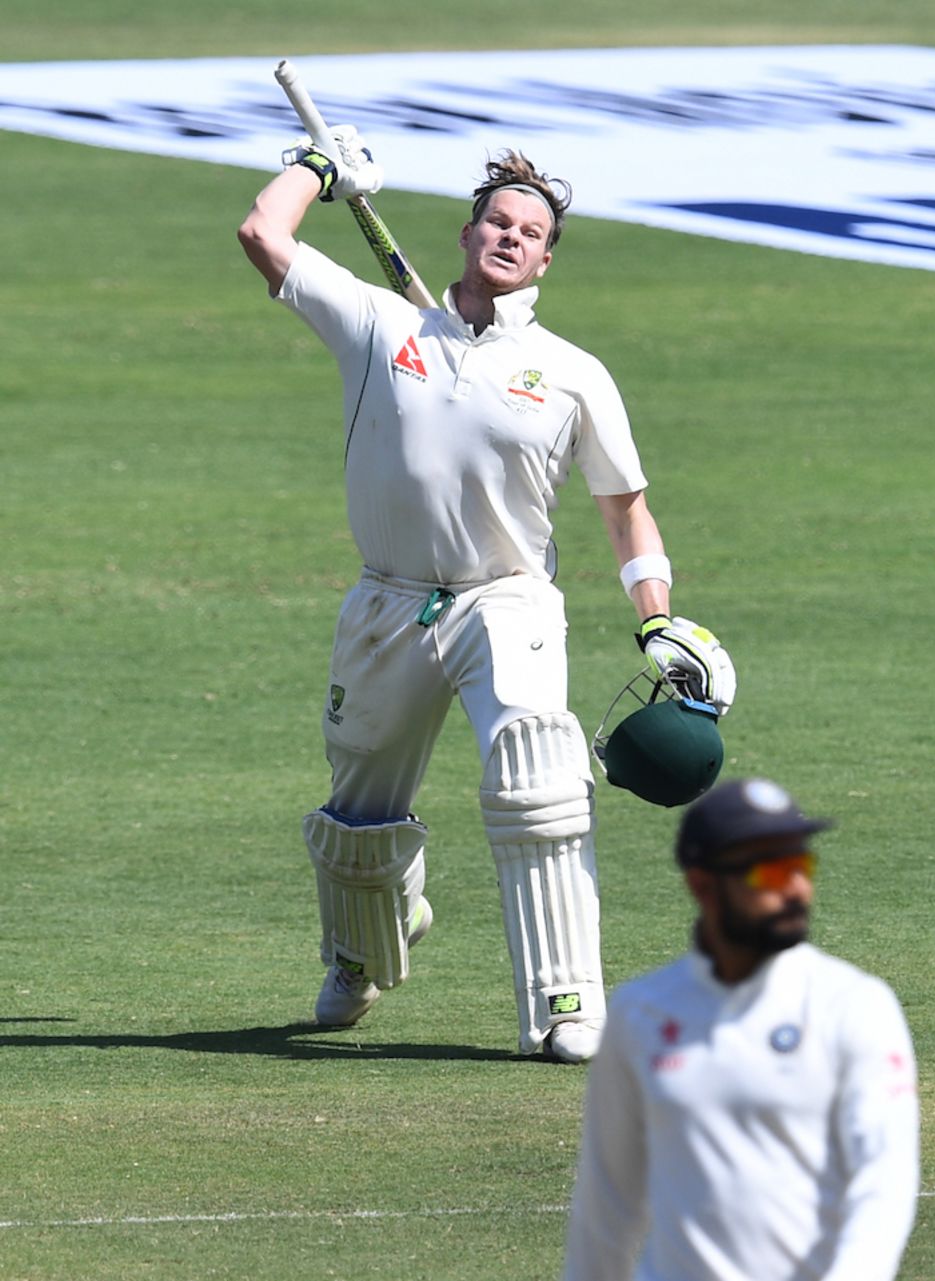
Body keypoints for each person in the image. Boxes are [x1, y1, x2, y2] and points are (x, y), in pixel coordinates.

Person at [237, 125, 735, 1063]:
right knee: (358, 817)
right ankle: (360, 955)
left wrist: (657, 617)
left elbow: (627, 512)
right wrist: (318, 170)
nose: (509, 237)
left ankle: (564, 1003)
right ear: (466, 237)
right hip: (388, 602)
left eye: (529, 231)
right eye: (495, 222)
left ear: (547, 256)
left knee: (540, 781)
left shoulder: (574, 374)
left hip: (505, 602)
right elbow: (263, 235)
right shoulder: (383, 326)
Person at [561, 777, 919, 1279]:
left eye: (801, 866)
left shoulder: (855, 1006)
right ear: (703, 885)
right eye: (770, 872)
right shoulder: (639, 1013)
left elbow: (884, 1179)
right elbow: (608, 1203)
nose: (795, 888)